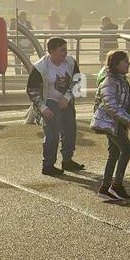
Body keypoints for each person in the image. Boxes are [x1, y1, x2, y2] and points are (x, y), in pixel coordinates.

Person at [91, 49, 130, 201]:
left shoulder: (122, 80)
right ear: (116, 64)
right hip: (110, 122)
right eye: (126, 62)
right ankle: (117, 185)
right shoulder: (109, 81)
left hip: (118, 122)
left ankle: (104, 188)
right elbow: (110, 105)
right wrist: (126, 120)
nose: (129, 63)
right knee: (127, 150)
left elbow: (129, 99)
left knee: (114, 153)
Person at [26, 36, 84, 177]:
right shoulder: (40, 66)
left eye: (66, 50)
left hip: (66, 101)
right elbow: (32, 90)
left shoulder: (70, 62)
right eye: (62, 50)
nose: (65, 53)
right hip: (49, 101)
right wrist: (43, 108)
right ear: (51, 51)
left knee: (70, 130)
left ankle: (67, 160)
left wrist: (68, 97)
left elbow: (78, 81)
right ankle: (48, 165)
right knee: (52, 133)